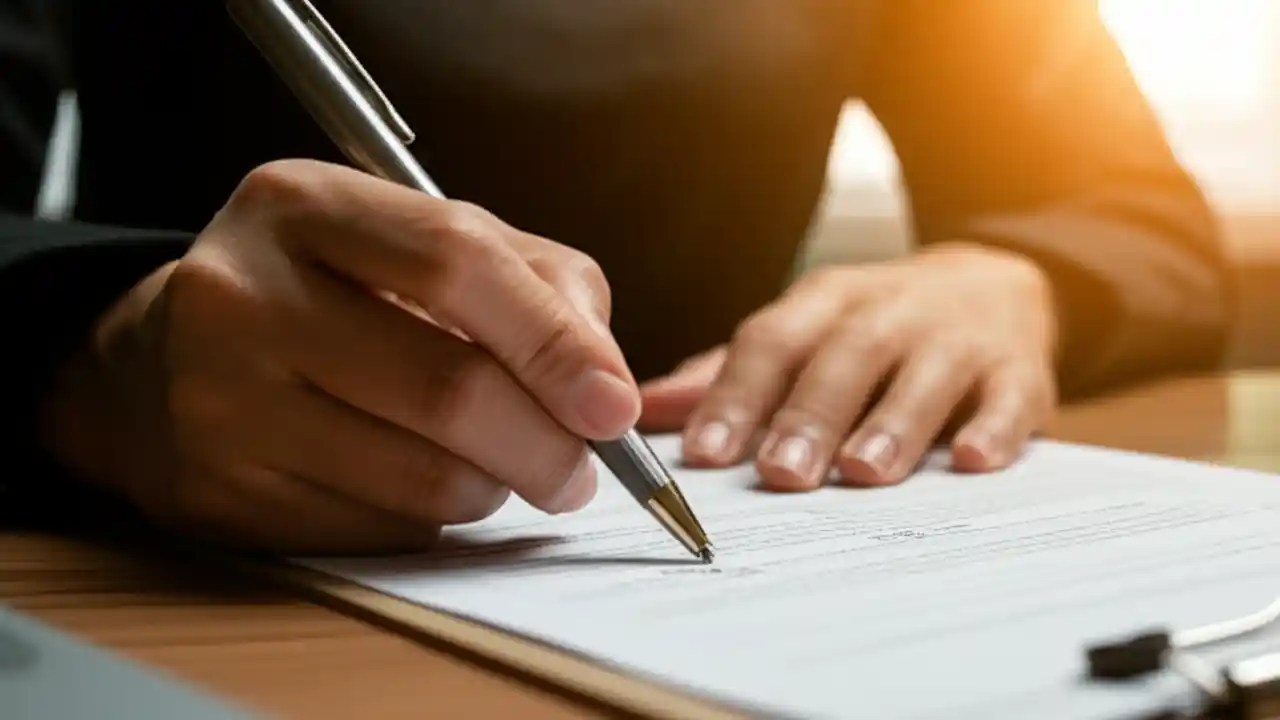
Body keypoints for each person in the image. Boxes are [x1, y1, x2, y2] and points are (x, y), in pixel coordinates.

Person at [0, 1, 1228, 553]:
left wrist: (1015, 273)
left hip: (732, 481)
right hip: (208, 571)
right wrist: (98, 350)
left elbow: (1137, 216)